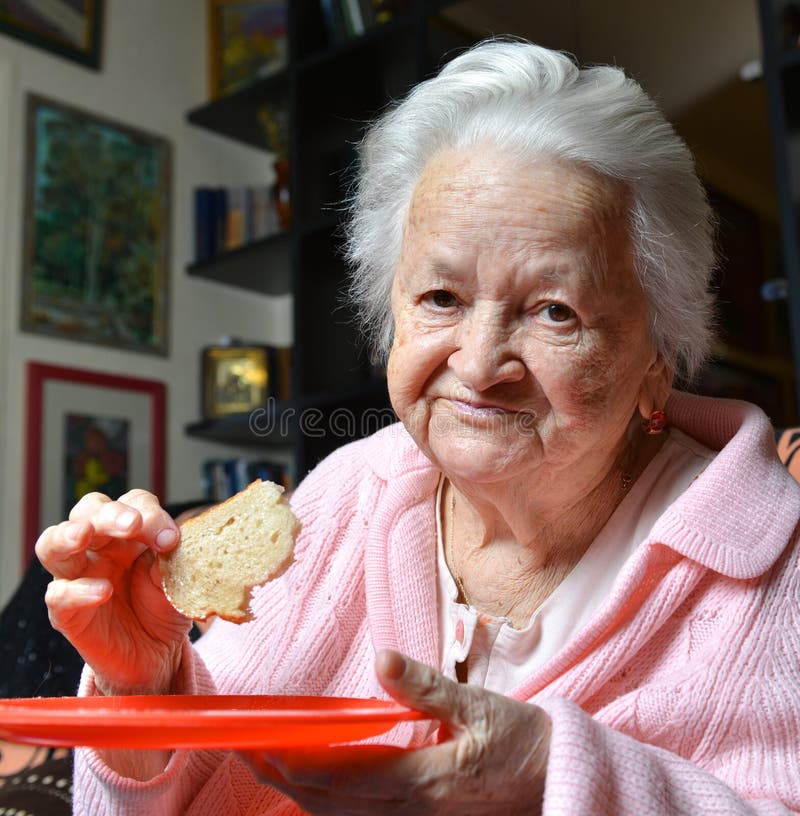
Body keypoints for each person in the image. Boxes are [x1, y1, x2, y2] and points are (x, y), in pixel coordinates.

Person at [36, 39, 800, 815]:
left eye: (553, 311)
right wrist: (145, 688)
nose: (478, 363)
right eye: (440, 297)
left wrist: (551, 779)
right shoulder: (344, 499)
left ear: (658, 357)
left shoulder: (775, 570)